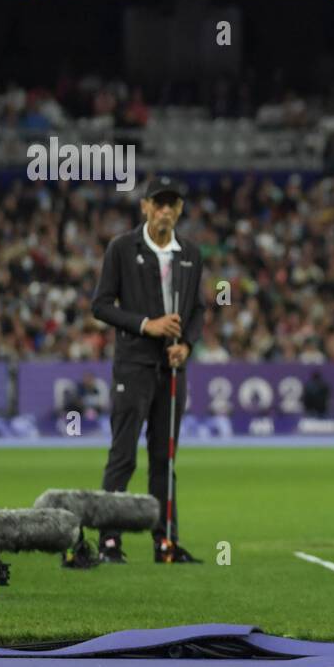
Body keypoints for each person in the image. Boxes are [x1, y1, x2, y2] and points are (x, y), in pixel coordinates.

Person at [91, 176, 205, 564]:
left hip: (172, 370)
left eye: (172, 204)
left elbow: (199, 308)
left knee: (165, 458)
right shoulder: (122, 248)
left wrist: (187, 343)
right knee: (123, 455)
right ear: (144, 207)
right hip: (134, 365)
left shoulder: (190, 253)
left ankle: (165, 542)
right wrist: (147, 325)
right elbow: (101, 305)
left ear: (180, 210)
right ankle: (109, 540)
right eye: (158, 203)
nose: (165, 211)